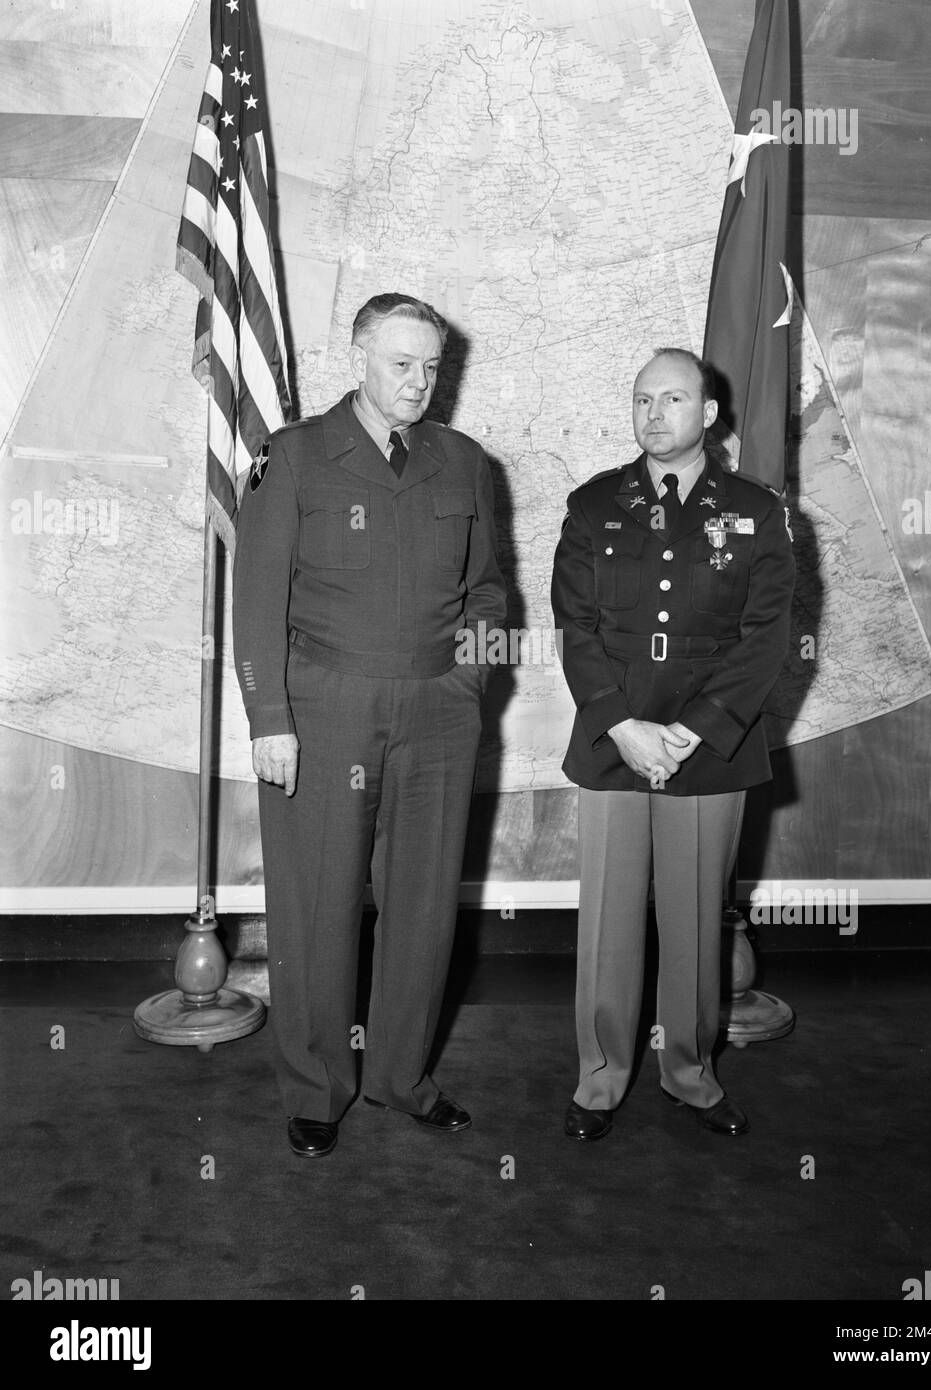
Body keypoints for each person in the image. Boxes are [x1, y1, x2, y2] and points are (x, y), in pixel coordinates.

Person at [232, 292, 506, 1157]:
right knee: (317, 905)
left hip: (437, 713)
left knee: (424, 905)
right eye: (401, 363)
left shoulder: (464, 464)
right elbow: (256, 598)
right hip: (325, 712)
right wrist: (270, 718)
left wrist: (468, 681)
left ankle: (400, 1076)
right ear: (359, 356)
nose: (419, 382)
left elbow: (491, 590)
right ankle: (317, 1087)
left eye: (432, 366)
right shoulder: (297, 455)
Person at [550, 347, 795, 1141]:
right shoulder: (592, 505)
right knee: (609, 923)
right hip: (614, 744)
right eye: (642, 399)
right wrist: (624, 726)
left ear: (709, 413)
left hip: (709, 747)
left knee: (695, 920)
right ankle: (599, 1079)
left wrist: (689, 731)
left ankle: (690, 1074)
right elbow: (576, 629)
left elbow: (766, 637)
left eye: (674, 399)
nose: (655, 414)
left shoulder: (757, 511)